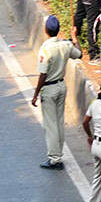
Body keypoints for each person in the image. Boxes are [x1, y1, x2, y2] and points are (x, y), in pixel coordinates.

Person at [33, 14, 82, 170]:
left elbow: (43, 74)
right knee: (59, 122)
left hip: (49, 88)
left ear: (46, 30)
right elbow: (79, 54)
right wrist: (74, 37)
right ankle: (58, 153)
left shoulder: (46, 49)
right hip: (61, 85)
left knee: (51, 125)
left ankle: (55, 159)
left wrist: (36, 93)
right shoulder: (66, 45)